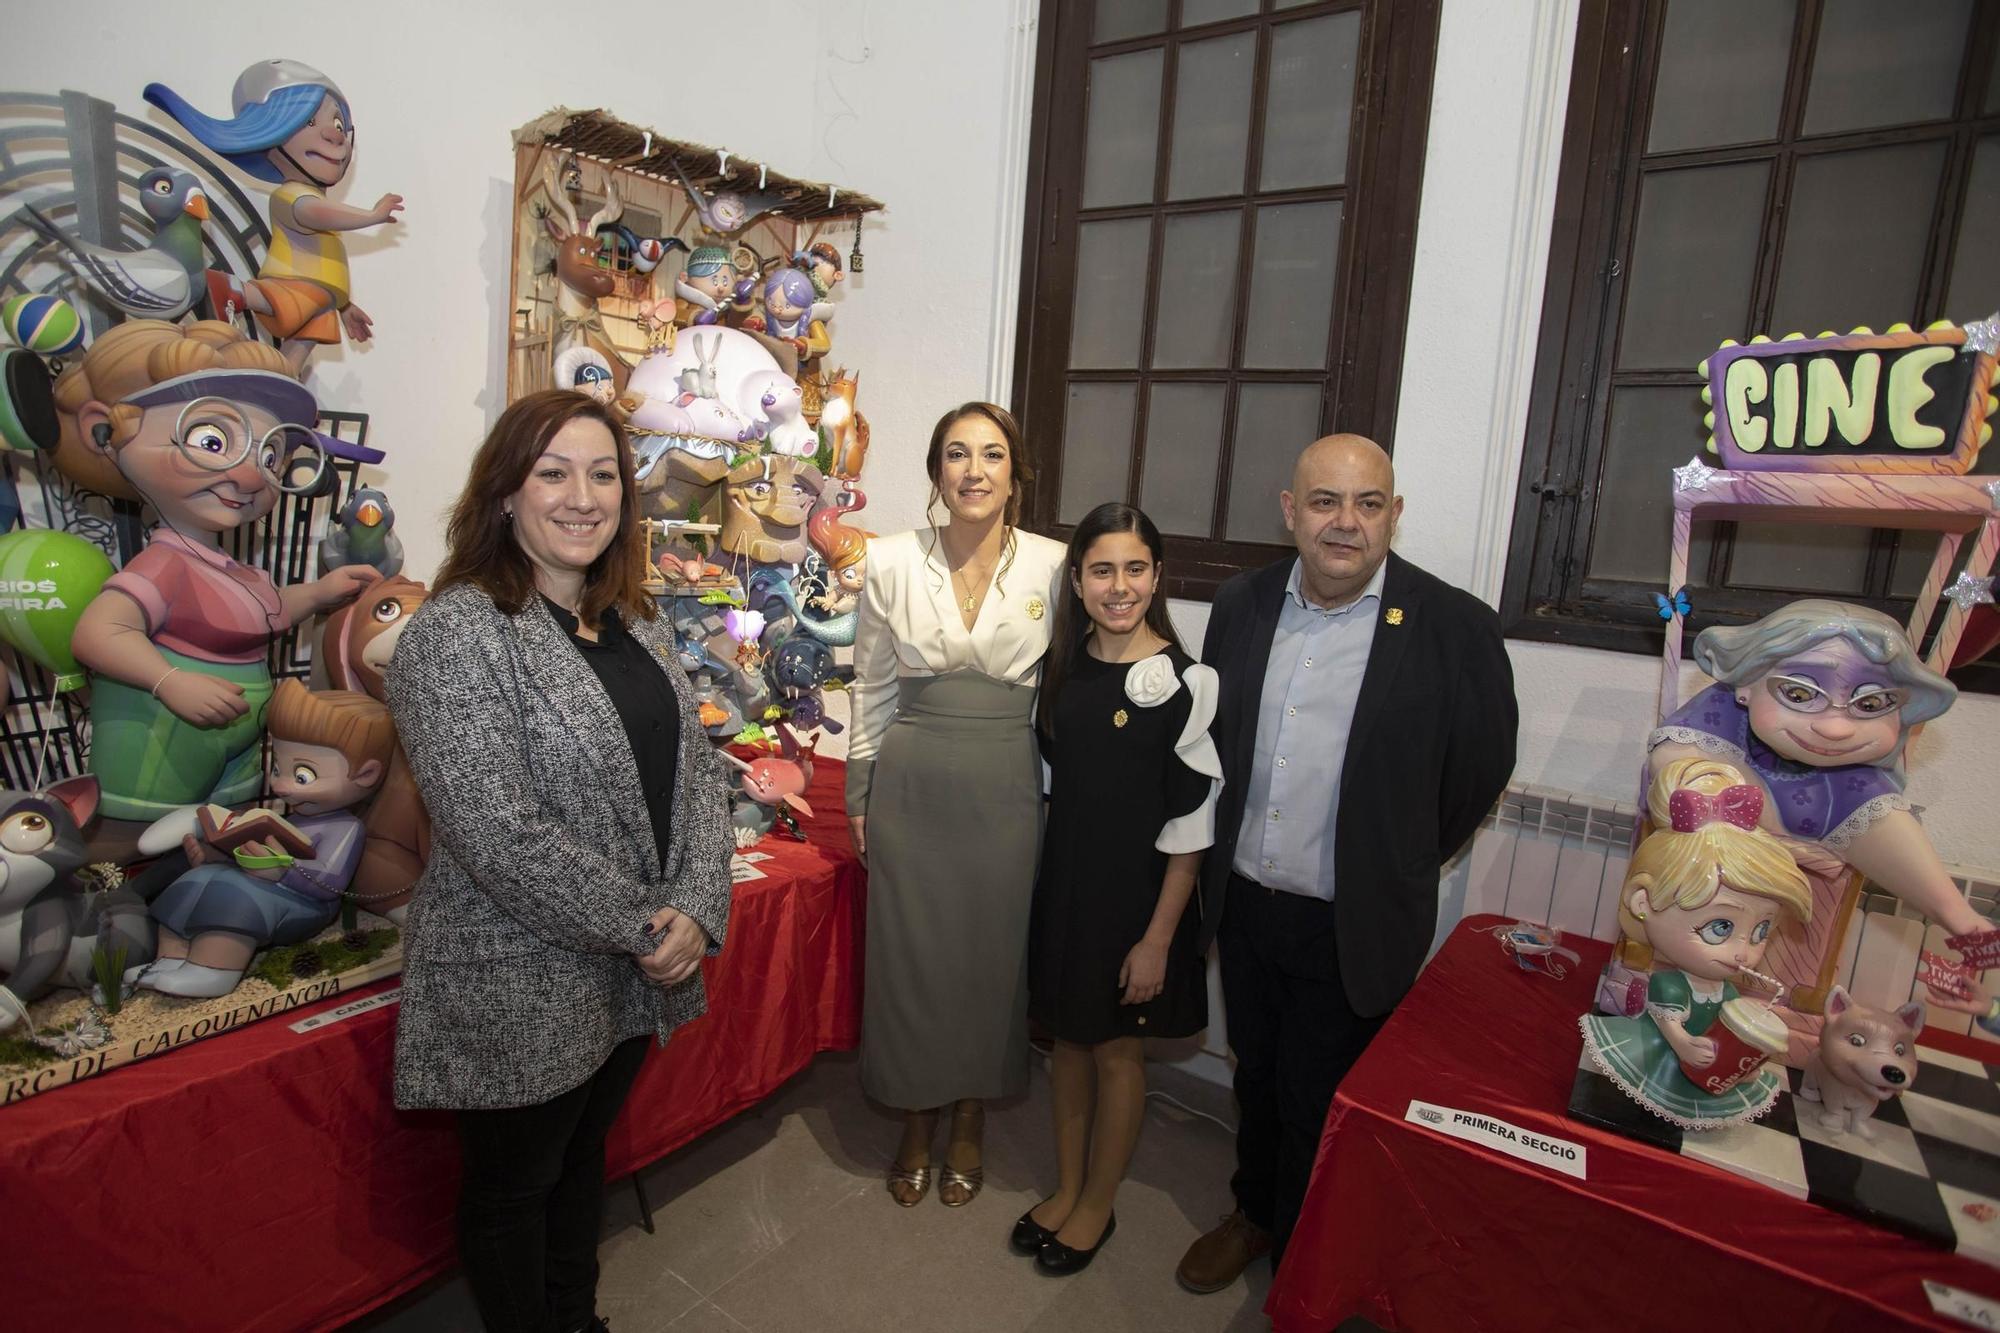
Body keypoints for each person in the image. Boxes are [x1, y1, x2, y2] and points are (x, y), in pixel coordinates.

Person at [386, 389, 734, 1333]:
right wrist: (647, 925)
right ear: (504, 493)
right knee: (515, 1187)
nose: (582, 496)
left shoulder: (637, 624)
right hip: (516, 971)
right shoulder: (458, 632)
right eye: (552, 472)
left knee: (583, 1160)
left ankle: (577, 1320)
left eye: (603, 473)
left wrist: (697, 907)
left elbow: (700, 779)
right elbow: (498, 829)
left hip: (630, 968)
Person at [1177, 434, 1518, 1289]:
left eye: (1368, 505)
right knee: (1256, 1076)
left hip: (1352, 917)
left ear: (1393, 517)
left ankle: (1308, 1263)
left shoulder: (1456, 627)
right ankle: (1256, 1212)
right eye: (1325, 501)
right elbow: (1218, 745)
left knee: (1319, 1100)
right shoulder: (1241, 604)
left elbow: (1477, 771)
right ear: (1290, 511)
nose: (1345, 523)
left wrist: (1396, 856)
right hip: (1249, 907)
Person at [846, 402, 1065, 1207]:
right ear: (937, 471)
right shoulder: (892, 560)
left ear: (1017, 472)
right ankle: (913, 1113)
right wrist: (860, 792)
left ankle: (969, 1113)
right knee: (909, 955)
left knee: (989, 957)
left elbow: (1068, 694)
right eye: (956, 455)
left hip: (1007, 781)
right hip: (912, 778)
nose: (974, 470)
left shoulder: (1055, 564)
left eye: (993, 455)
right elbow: (870, 684)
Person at [59, 319, 379, 825]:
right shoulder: (164, 563)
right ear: (107, 432)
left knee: (217, 836)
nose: (252, 475)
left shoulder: (229, 567)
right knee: (143, 845)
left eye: (269, 455)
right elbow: (98, 633)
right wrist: (170, 681)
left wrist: (320, 592)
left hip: (237, 746)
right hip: (162, 736)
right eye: (212, 440)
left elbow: (266, 615)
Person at [1013, 503, 1220, 1274]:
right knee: (1068, 1041)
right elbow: (1055, 785)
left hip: (1138, 905)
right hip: (1067, 887)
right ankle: (1067, 1188)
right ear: (1078, 580)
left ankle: (1099, 1204)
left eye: (1136, 568)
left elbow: (1191, 828)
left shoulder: (1189, 684)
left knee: (1117, 1053)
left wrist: (1160, 938)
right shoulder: (1061, 670)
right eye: (1102, 569)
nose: (1120, 585)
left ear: (1158, 576)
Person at [1579, 758, 1812, 1127]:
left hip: (1705, 1067)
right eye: (1719, 928)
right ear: (1644, 903)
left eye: (1761, 932)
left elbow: (1732, 1029)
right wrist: (1683, 1043)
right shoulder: (1669, 984)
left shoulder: (1727, 990)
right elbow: (1669, 1025)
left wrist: (1745, 1061)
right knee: (1639, 1111)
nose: (1743, 951)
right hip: (1659, 1054)